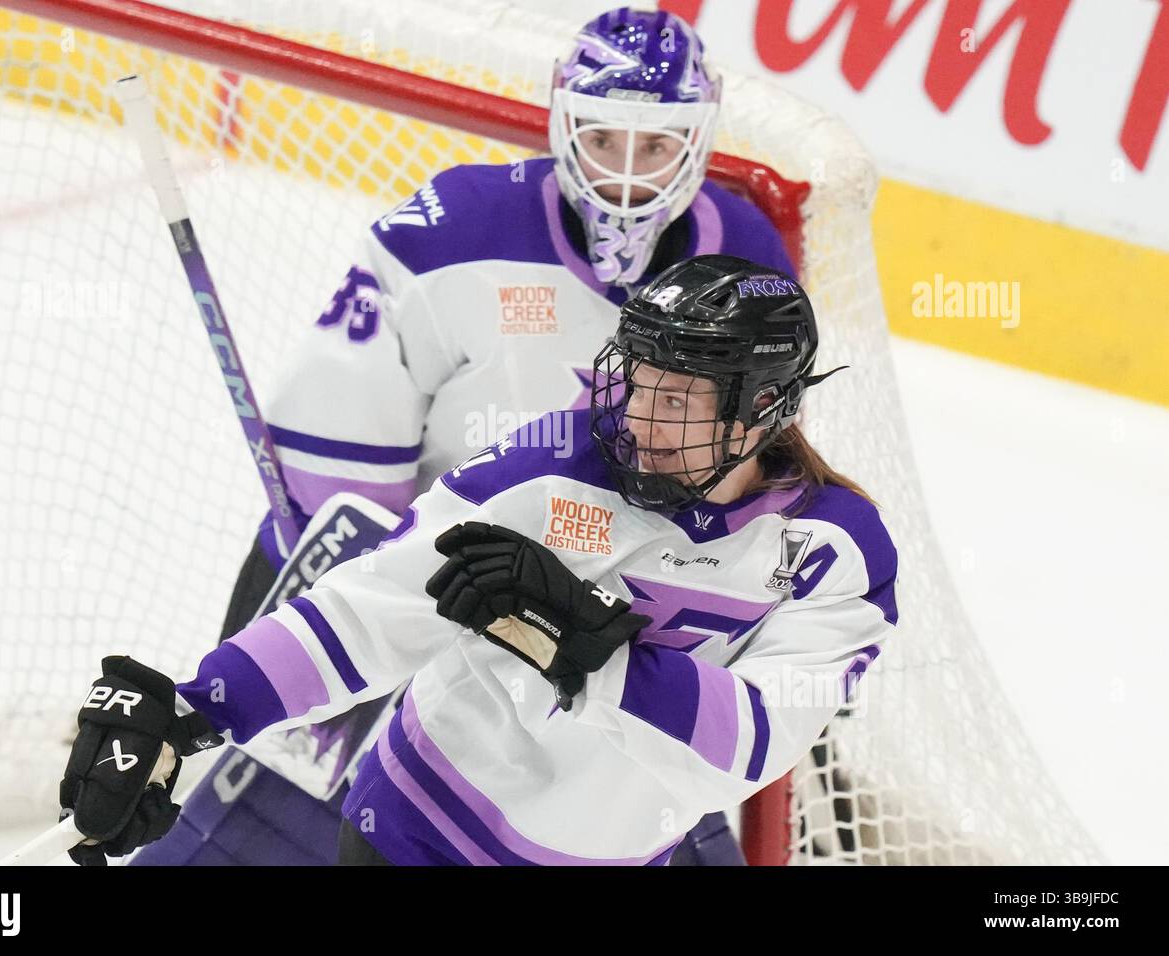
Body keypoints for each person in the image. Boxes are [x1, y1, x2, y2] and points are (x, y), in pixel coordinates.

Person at [130, 6, 796, 866]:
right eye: (602, 139)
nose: (627, 178)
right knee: (271, 834)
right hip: (428, 602)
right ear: (562, 122)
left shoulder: (745, 262)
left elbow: (748, 478)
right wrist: (380, 606)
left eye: (656, 147)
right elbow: (336, 466)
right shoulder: (455, 231)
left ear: (698, 141)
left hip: (612, 641)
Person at [59, 255, 899, 866]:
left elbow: (754, 741)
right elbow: (376, 604)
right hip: (418, 823)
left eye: (674, 399)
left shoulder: (837, 553)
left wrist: (596, 657)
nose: (638, 417)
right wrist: (200, 709)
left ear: (760, 409)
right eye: (636, 382)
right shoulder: (555, 459)